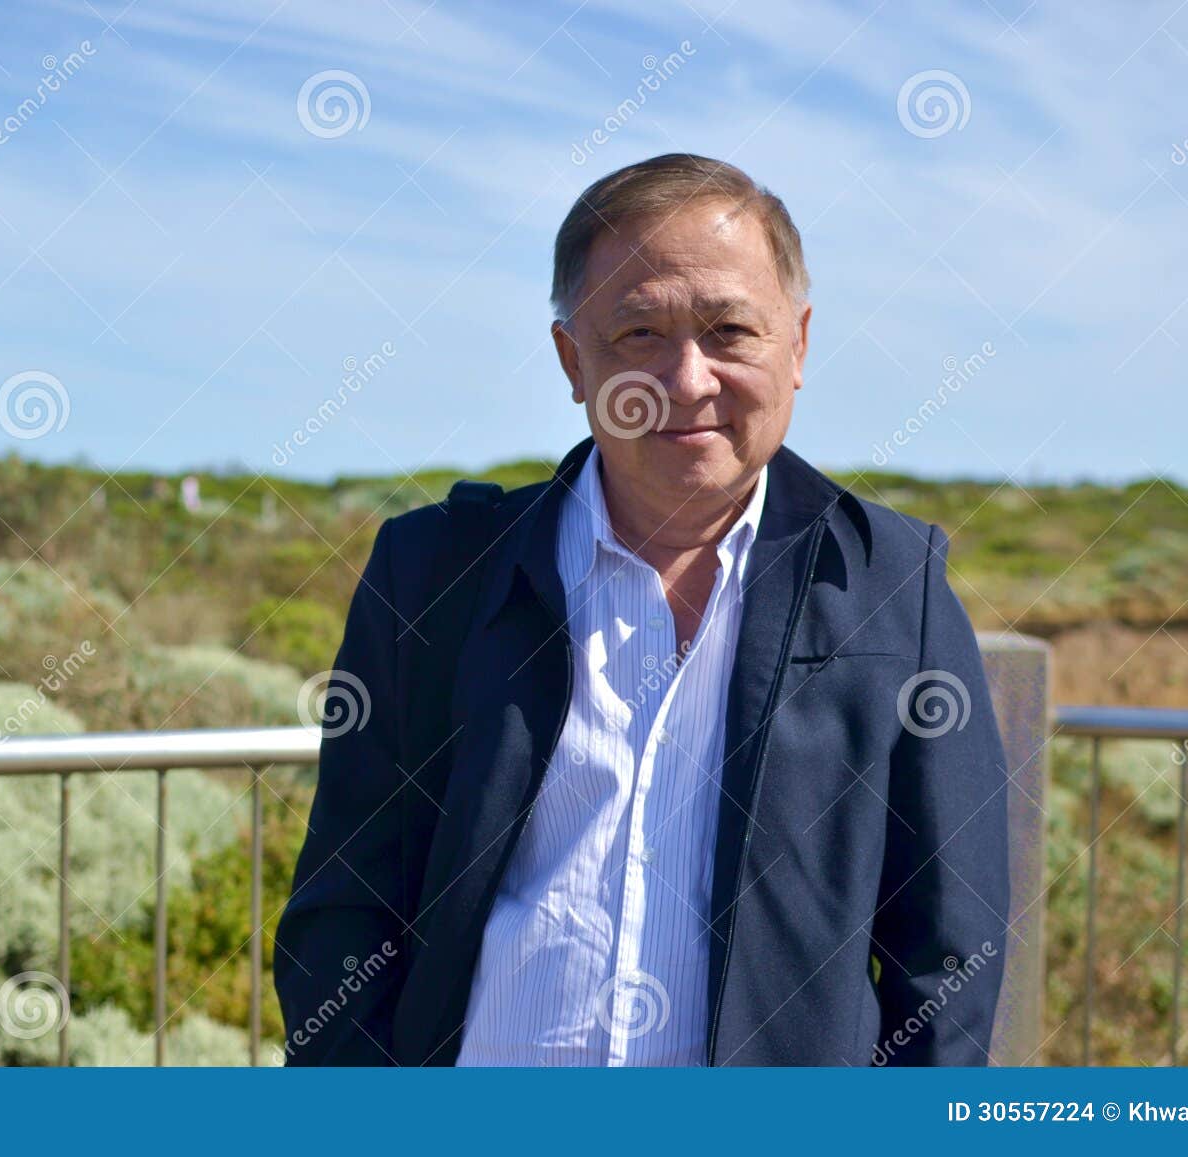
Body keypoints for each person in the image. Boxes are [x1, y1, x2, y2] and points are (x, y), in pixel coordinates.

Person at [275, 152, 1010, 1066]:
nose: (687, 379)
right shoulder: (435, 576)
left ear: (799, 345)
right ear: (571, 359)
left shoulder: (893, 590)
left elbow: (945, 961)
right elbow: (346, 910)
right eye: (637, 335)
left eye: (730, 329)